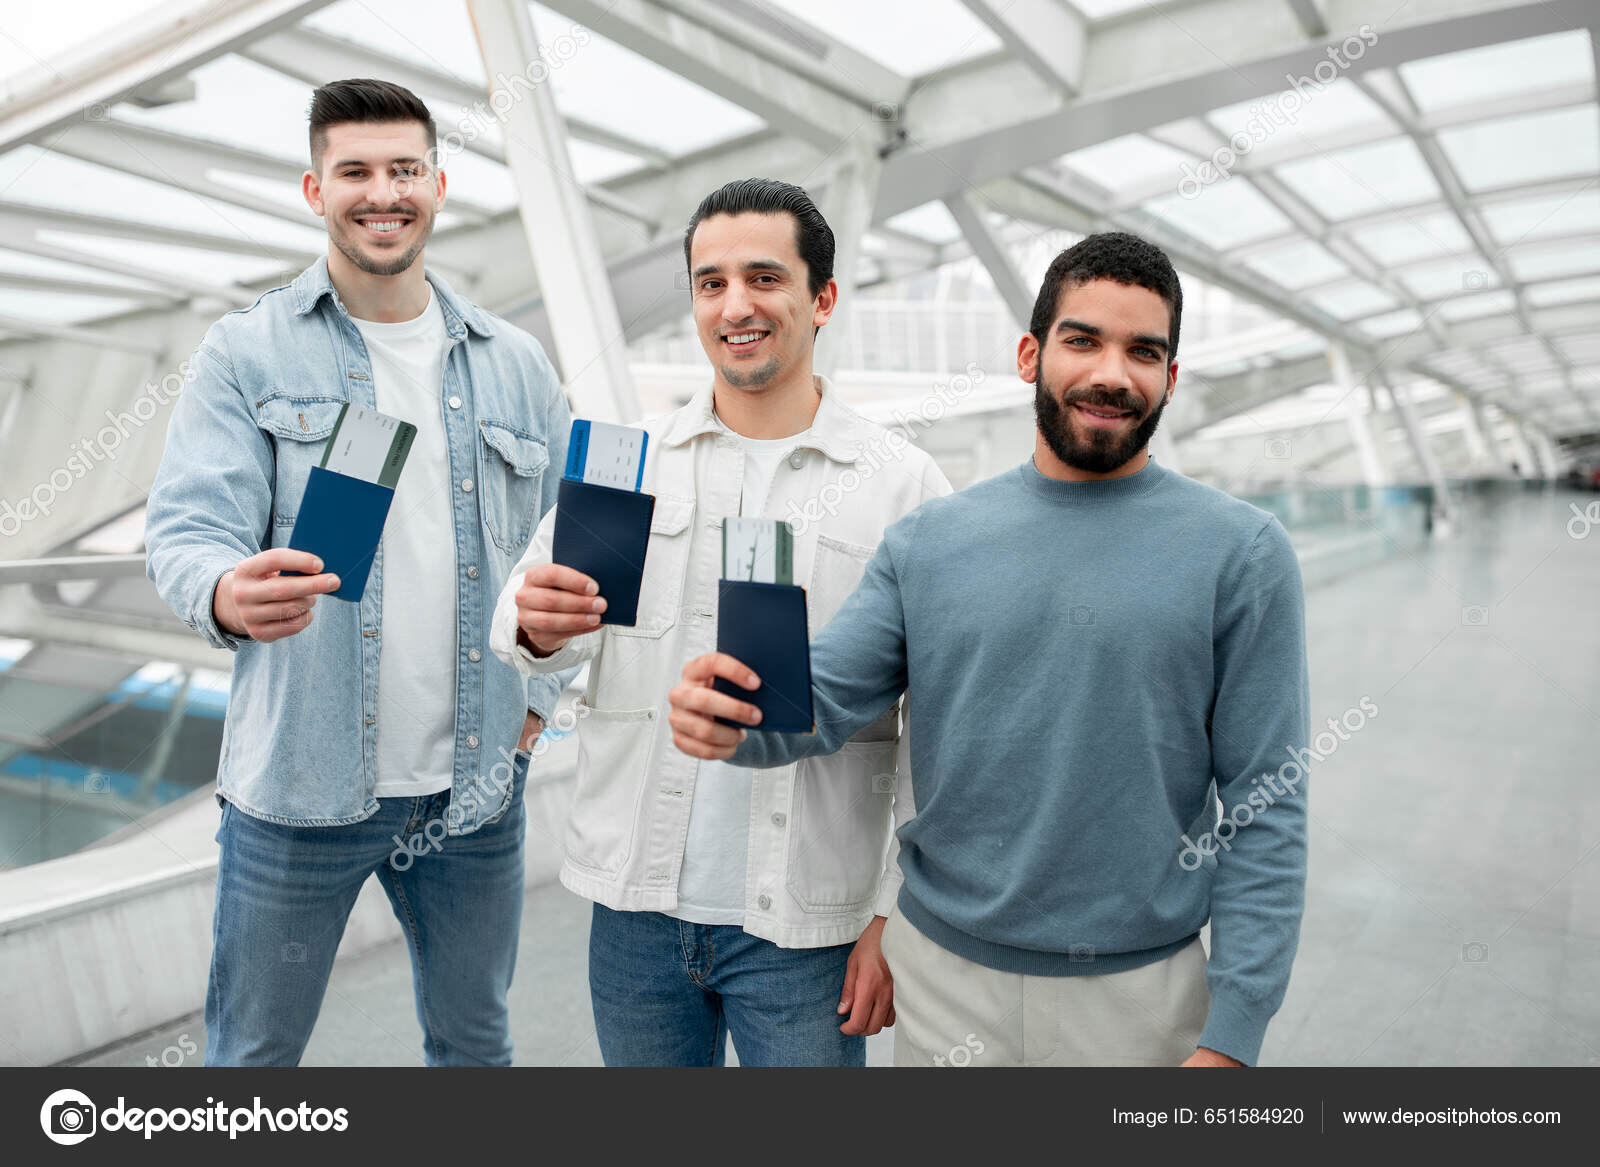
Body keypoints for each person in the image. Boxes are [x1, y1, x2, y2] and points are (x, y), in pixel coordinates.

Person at [668, 232, 1310, 1068]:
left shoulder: (1243, 554)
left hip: (1144, 1001)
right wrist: (734, 717)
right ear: (1029, 355)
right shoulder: (930, 541)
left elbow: (1268, 806)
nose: (1112, 374)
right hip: (946, 989)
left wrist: (1234, 1035)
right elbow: (819, 703)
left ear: (1172, 377)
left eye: (1143, 352)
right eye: (1083, 340)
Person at [144, 78, 571, 1066]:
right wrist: (224, 593)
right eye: (356, 172)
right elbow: (187, 529)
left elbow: (568, 547)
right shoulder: (245, 352)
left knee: (475, 1048)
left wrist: (540, 702)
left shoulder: (515, 363)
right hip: (300, 789)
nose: (383, 193)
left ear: (439, 185)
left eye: (405, 170)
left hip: (475, 791)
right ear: (315, 190)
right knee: (252, 1058)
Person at [489, 178, 950, 1066]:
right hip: (636, 910)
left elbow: (937, 724)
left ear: (823, 298)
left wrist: (897, 911)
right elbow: (529, 622)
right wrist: (540, 624)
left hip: (808, 926)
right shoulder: (629, 460)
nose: (735, 306)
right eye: (711, 283)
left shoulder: (904, 486)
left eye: (764, 278)